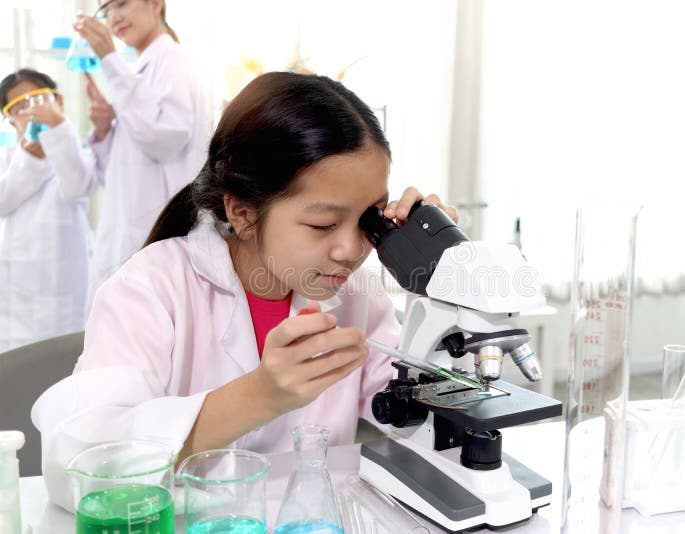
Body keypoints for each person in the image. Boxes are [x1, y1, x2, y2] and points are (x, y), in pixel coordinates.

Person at [32, 71, 459, 510]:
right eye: (323, 224)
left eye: (370, 219)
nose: (351, 249)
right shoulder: (152, 287)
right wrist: (261, 395)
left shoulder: (357, 296)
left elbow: (422, 420)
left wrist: (439, 283)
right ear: (241, 212)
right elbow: (78, 472)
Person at [70, 0, 211, 311]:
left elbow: (166, 137)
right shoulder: (140, 68)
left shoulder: (171, 59)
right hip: (136, 228)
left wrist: (109, 57)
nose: (113, 17)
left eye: (121, 3)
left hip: (158, 233)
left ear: (156, 3)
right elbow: (121, 173)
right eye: (106, 12)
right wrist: (106, 128)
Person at [0, 69, 97, 352]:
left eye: (37, 100)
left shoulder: (78, 150)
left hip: (63, 294)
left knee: (60, 365)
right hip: (14, 298)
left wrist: (57, 137)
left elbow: (79, 186)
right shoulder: (7, 158)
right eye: (18, 107)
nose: (30, 111)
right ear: (9, 119)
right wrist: (30, 159)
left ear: (59, 103)